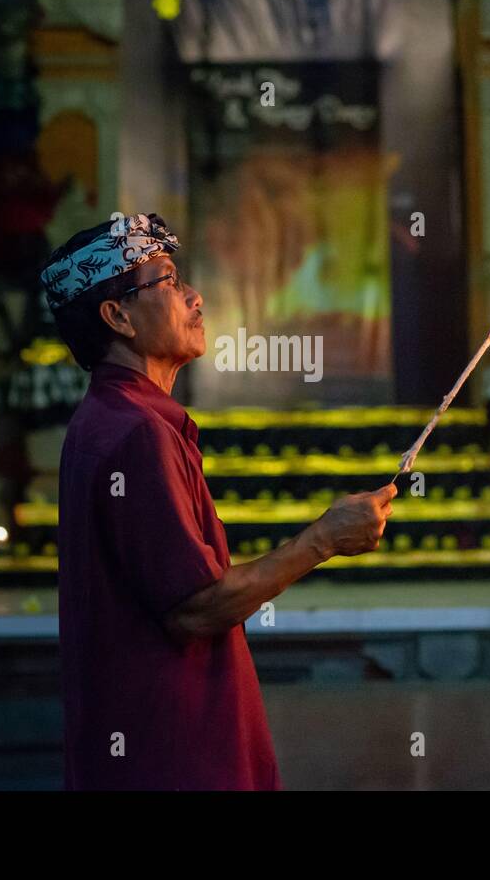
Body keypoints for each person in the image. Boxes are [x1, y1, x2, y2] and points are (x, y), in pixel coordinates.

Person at [44, 213, 395, 790]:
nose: (194, 297)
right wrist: (323, 540)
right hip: (172, 753)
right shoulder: (136, 432)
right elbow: (195, 608)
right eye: (168, 281)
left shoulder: (113, 420)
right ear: (118, 315)